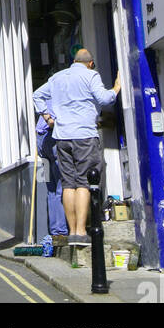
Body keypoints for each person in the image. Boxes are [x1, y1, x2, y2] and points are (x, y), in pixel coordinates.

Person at [32, 48, 120, 245]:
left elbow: (37, 95)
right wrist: (116, 87)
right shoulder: (91, 75)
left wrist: (47, 117)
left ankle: (72, 233)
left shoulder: (57, 77)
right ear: (90, 63)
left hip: (62, 137)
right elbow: (105, 99)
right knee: (83, 183)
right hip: (84, 136)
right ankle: (81, 232)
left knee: (68, 184)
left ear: (74, 61)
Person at [36, 112, 68, 244]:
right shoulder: (59, 93)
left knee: (52, 189)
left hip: (41, 140)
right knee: (61, 186)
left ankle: (55, 230)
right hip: (53, 137)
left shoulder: (45, 94)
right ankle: (61, 231)